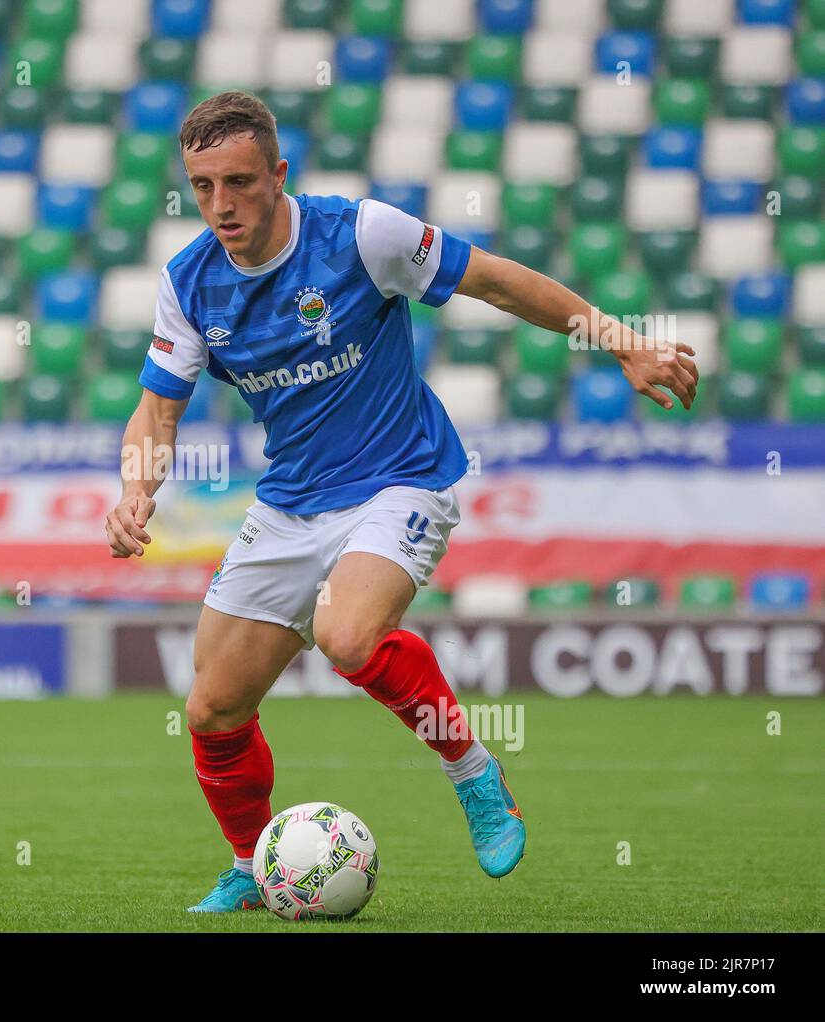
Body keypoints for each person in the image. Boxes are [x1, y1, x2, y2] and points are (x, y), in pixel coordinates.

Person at [103, 91, 699, 912]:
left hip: (401, 477)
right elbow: (158, 408)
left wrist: (623, 342)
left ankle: (474, 773)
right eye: (203, 186)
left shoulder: (361, 234)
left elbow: (498, 282)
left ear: (279, 174)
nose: (221, 204)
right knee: (211, 708)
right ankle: (254, 863)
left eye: (239, 182)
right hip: (289, 501)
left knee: (348, 636)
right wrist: (137, 489)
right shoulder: (190, 281)